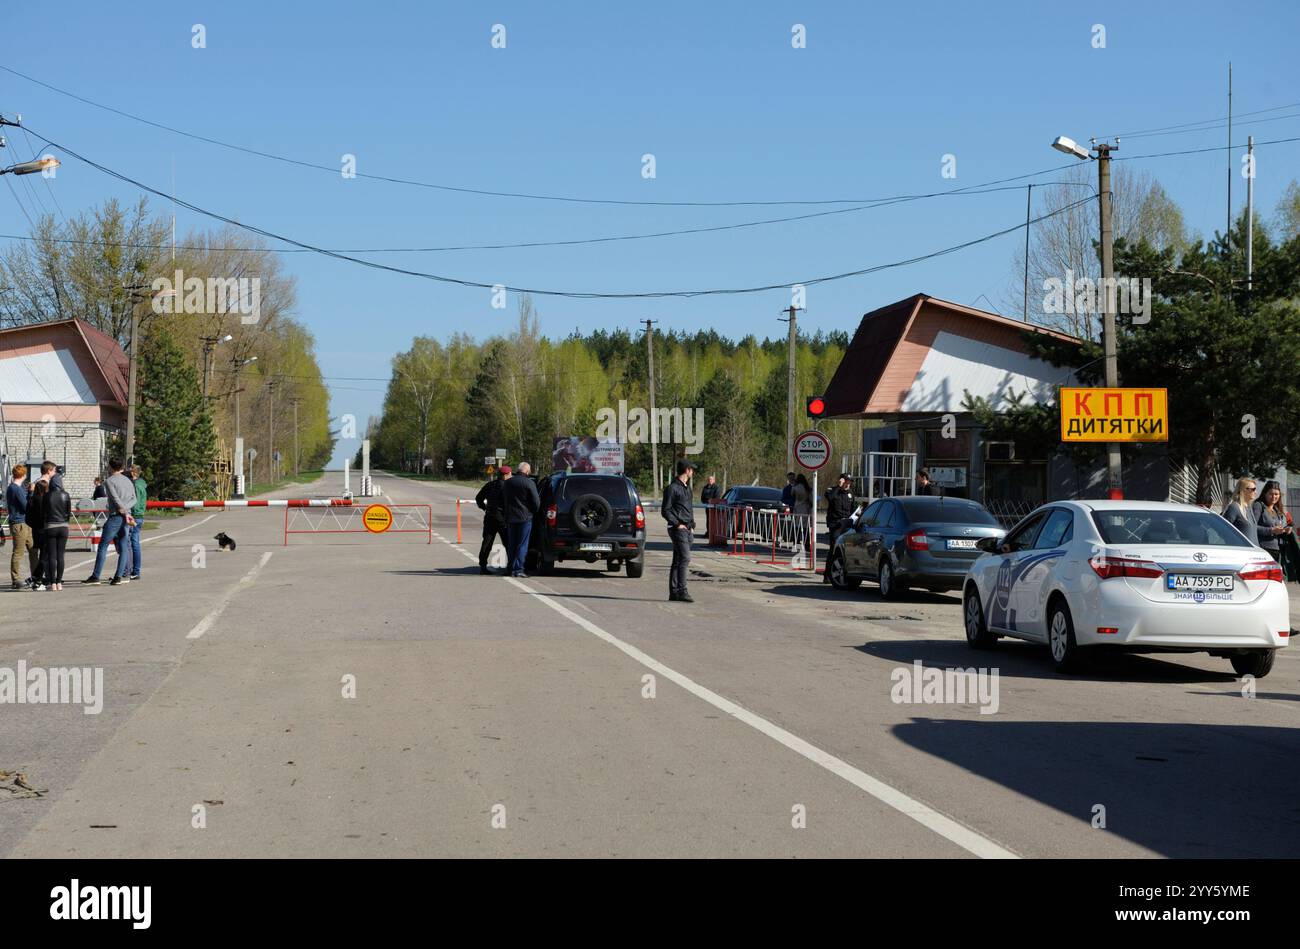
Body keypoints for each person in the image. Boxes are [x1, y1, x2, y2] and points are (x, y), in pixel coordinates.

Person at [83, 458, 136, 586]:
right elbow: (134, 499)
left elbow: (114, 497)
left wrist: (122, 511)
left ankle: (96, 576)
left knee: (103, 546)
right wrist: (127, 512)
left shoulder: (109, 481)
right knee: (123, 546)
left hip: (116, 515)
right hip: (126, 516)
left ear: (111, 467)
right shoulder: (128, 480)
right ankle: (119, 576)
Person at [663, 458, 697, 602]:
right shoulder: (672, 488)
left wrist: (692, 525)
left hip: (688, 529)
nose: (693, 472)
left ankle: (674, 592)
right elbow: (666, 510)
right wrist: (677, 524)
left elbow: (688, 508)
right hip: (678, 529)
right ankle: (682, 590)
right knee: (685, 558)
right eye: (692, 469)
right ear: (687, 470)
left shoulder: (687, 488)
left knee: (678, 560)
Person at [503, 461, 539, 578]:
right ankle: (518, 569)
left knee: (511, 544)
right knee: (522, 545)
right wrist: (533, 512)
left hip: (511, 517)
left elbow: (504, 499)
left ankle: (510, 567)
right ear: (527, 471)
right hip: (525, 517)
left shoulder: (508, 483)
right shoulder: (529, 483)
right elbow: (536, 502)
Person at [475, 466, 511, 575]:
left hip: (490, 517)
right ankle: (510, 567)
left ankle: (483, 566)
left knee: (487, 542)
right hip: (503, 519)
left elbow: (478, 498)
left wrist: (484, 508)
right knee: (508, 543)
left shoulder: (490, 485)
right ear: (507, 474)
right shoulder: (509, 487)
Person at [823, 473, 856, 582]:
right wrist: (838, 486)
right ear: (842, 481)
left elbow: (853, 510)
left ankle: (846, 573)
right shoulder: (832, 490)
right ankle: (827, 575)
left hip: (847, 525)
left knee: (847, 550)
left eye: (850, 482)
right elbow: (830, 498)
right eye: (846, 482)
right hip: (836, 525)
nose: (848, 484)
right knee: (834, 549)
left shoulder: (850, 494)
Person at [40, 476, 70, 591]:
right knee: (60, 555)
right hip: (63, 526)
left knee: (52, 555)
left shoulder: (47, 495)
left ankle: (52, 583)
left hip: (50, 526)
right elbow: (68, 512)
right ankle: (59, 582)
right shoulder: (66, 495)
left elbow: (43, 512)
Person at [1252, 480, 1291, 563]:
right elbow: (1252, 527)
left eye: (1276, 494)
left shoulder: (1277, 510)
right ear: (1265, 493)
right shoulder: (1258, 505)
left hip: (1279, 550)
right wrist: (1271, 530)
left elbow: (1282, 526)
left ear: (1279, 495)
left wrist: (1286, 529)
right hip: (1264, 550)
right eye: (1271, 494)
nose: (1273, 497)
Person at [6, 465, 32, 591]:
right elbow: (26, 505)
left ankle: (36, 575)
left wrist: (28, 491)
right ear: (23, 475)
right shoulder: (15, 489)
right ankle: (16, 579)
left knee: (33, 548)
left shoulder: (16, 487)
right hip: (19, 523)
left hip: (24, 522)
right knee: (18, 552)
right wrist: (31, 494)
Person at [27, 478, 49, 591]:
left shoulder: (32, 499)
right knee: (44, 556)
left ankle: (39, 577)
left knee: (42, 555)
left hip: (36, 530)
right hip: (45, 529)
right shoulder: (45, 500)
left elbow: (27, 518)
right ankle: (36, 578)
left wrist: (34, 525)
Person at [128, 464, 147, 581]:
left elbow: (135, 501)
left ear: (133, 473)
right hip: (140, 515)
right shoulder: (142, 484)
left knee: (132, 543)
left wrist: (132, 514)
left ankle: (134, 570)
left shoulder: (135, 485)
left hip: (135, 515)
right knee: (134, 542)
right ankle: (134, 570)